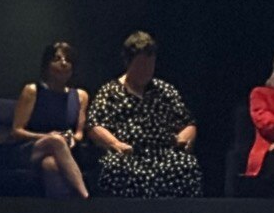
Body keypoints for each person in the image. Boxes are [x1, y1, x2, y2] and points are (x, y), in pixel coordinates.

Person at [85, 31, 199, 199]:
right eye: (141, 66)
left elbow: (188, 123)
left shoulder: (165, 91)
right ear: (128, 62)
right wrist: (115, 143)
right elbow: (94, 125)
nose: (146, 71)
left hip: (163, 155)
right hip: (128, 155)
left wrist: (183, 138)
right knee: (113, 168)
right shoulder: (110, 92)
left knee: (187, 165)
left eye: (149, 65)